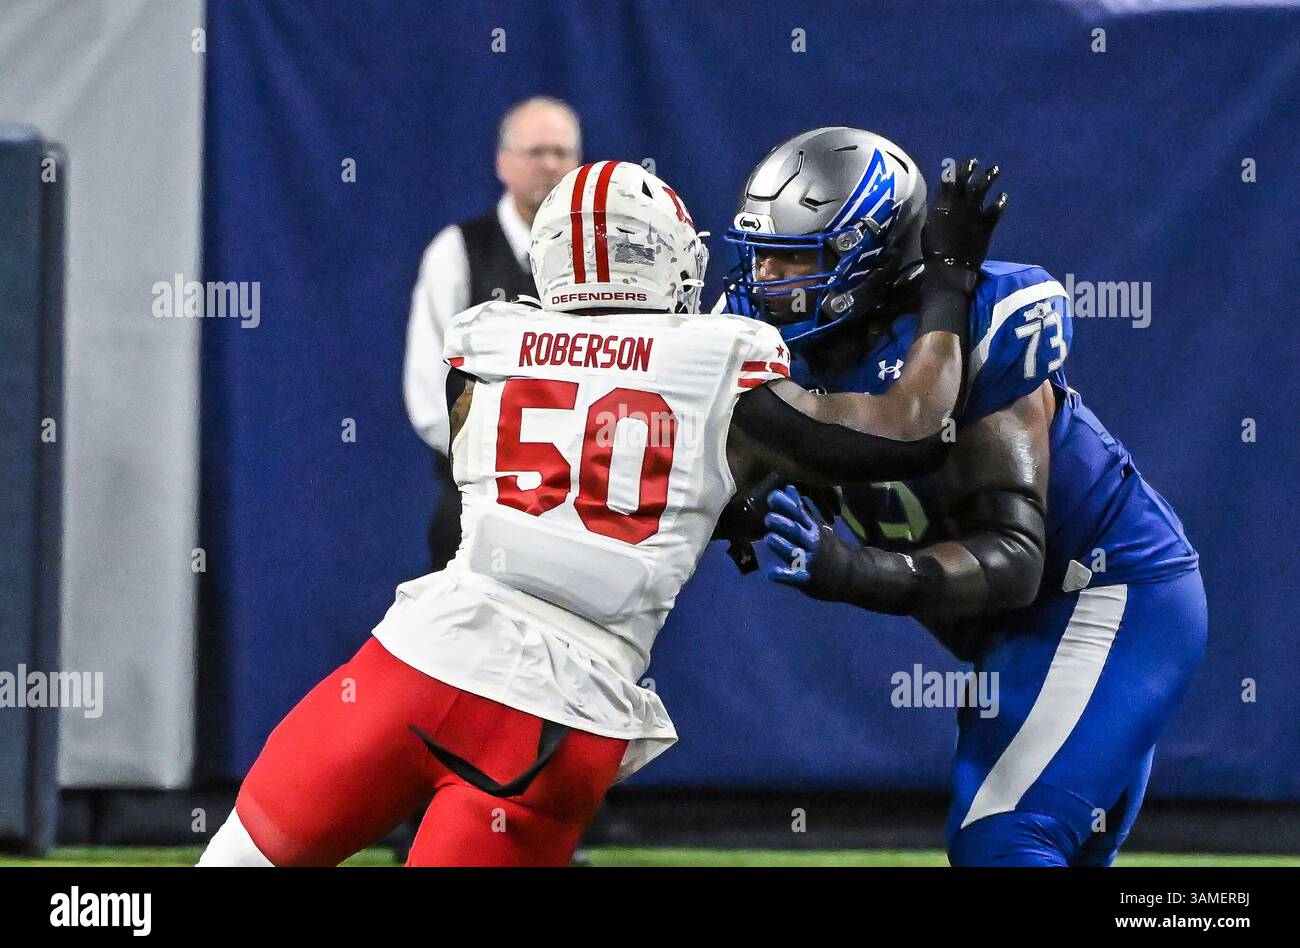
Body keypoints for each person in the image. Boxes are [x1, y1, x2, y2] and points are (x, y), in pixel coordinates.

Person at [198, 155, 1001, 866]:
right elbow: (913, 430)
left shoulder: (486, 344)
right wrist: (949, 280)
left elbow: (564, 453)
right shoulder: (719, 363)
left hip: (414, 663)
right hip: (558, 714)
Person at [725, 127, 1206, 866]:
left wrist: (851, 570)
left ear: (869, 253)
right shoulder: (765, 350)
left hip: (1105, 594)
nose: (768, 278)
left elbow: (1011, 561)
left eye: (797, 257)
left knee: (1004, 837)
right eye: (761, 254)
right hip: (1009, 633)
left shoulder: (981, 320)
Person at [404, 96, 583, 570]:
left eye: (562, 153)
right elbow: (429, 394)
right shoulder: (458, 250)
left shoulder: (597, 260)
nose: (550, 165)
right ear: (503, 162)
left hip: (579, 513)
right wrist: (510, 461)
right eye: (535, 152)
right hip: (476, 508)